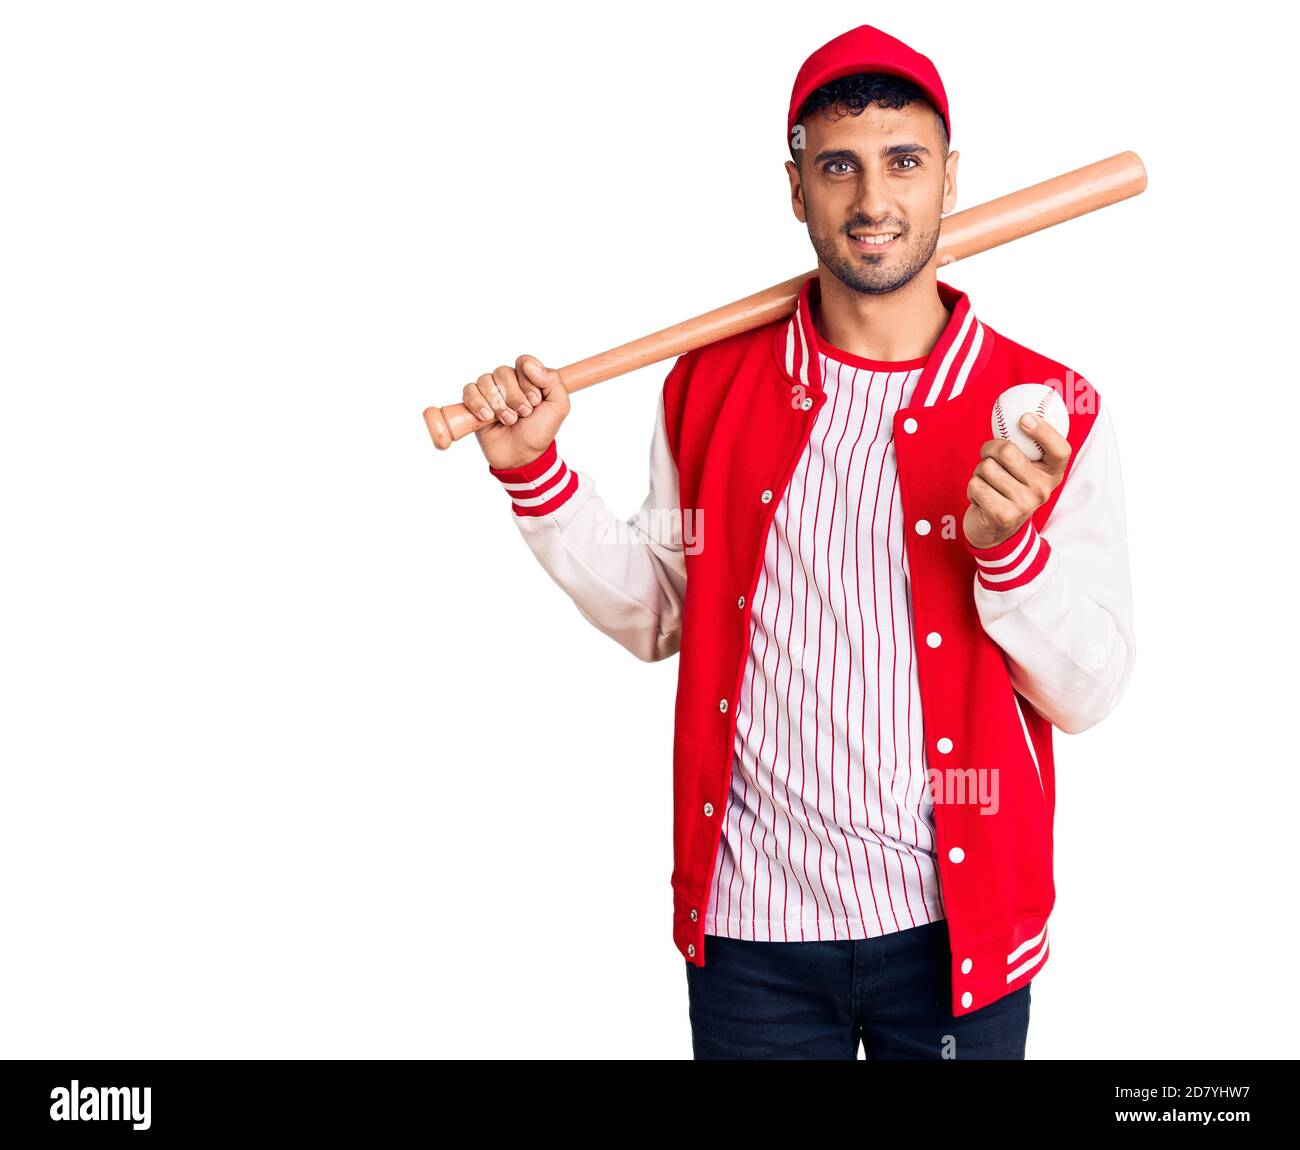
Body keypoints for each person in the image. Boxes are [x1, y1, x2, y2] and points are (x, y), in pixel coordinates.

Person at [464, 24, 1135, 1059]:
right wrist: (533, 473)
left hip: (954, 931)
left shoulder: (1047, 409)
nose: (873, 201)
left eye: (904, 162)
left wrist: (1008, 556)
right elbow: (663, 609)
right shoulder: (708, 389)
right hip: (752, 942)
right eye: (839, 167)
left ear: (950, 180)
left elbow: (1089, 691)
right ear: (795, 189)